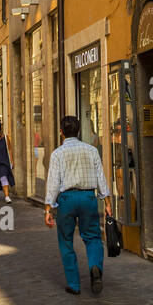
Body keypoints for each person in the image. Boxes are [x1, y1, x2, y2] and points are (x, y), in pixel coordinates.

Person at [45, 115, 113, 295]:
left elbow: (53, 182)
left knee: (66, 241)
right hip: (88, 198)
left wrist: (48, 208)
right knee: (93, 237)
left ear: (61, 133)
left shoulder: (57, 153)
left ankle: (74, 285)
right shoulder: (91, 150)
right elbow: (100, 177)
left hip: (66, 200)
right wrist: (106, 201)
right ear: (79, 131)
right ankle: (95, 266)